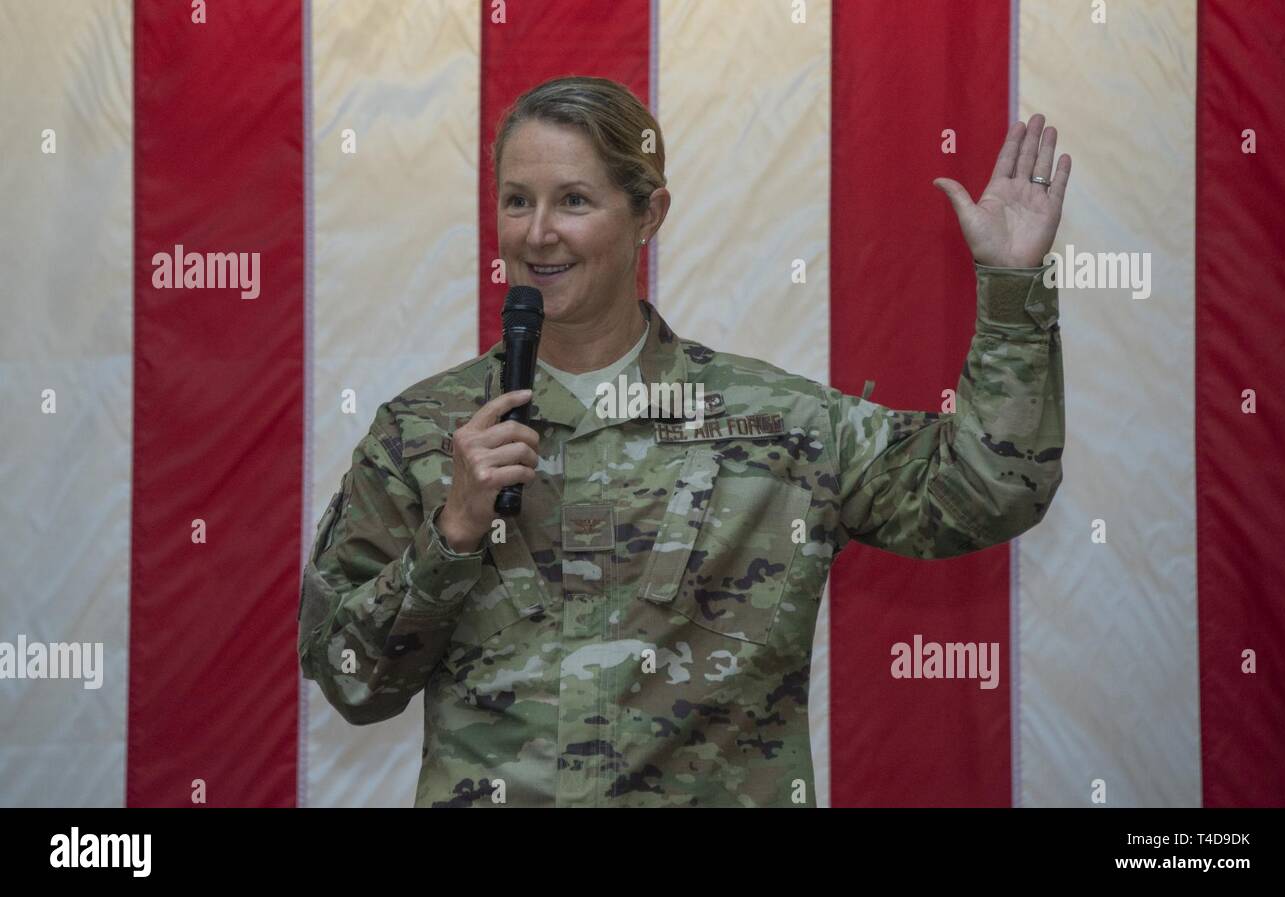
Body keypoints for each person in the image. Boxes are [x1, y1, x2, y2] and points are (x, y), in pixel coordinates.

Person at [297, 76, 1069, 807]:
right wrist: (452, 534)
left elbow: (985, 489)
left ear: (649, 215)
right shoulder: (426, 433)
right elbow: (351, 680)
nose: (538, 233)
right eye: (516, 201)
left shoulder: (775, 423)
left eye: (573, 200)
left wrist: (1010, 292)